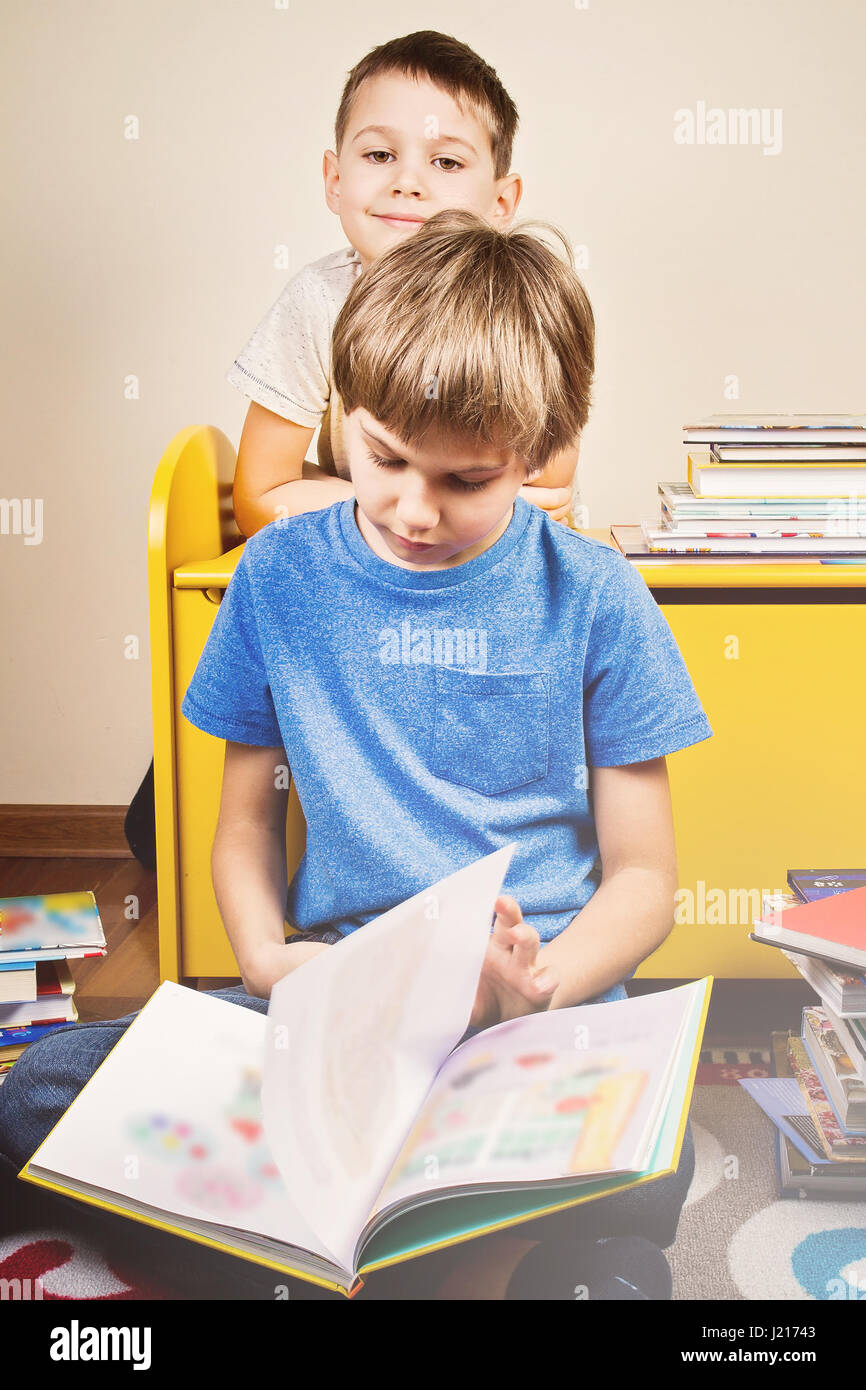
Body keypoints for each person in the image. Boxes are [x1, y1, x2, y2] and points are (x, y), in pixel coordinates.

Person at [0, 210, 711, 1300]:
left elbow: (644, 876)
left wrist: (545, 986)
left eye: (466, 481)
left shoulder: (596, 596)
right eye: (383, 457)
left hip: (534, 1024)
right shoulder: (280, 574)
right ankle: (470, 1257)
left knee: (665, 1156)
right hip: (333, 1001)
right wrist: (270, 961)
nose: (412, 509)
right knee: (37, 1091)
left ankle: (315, 1255)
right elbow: (238, 824)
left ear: (537, 450)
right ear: (344, 410)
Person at [228, 29, 580, 539]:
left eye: (446, 161)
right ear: (335, 180)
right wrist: (411, 501)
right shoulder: (318, 302)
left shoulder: (521, 302)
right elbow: (260, 497)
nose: (408, 182)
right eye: (379, 155)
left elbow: (544, 493)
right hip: (359, 562)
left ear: (501, 203)